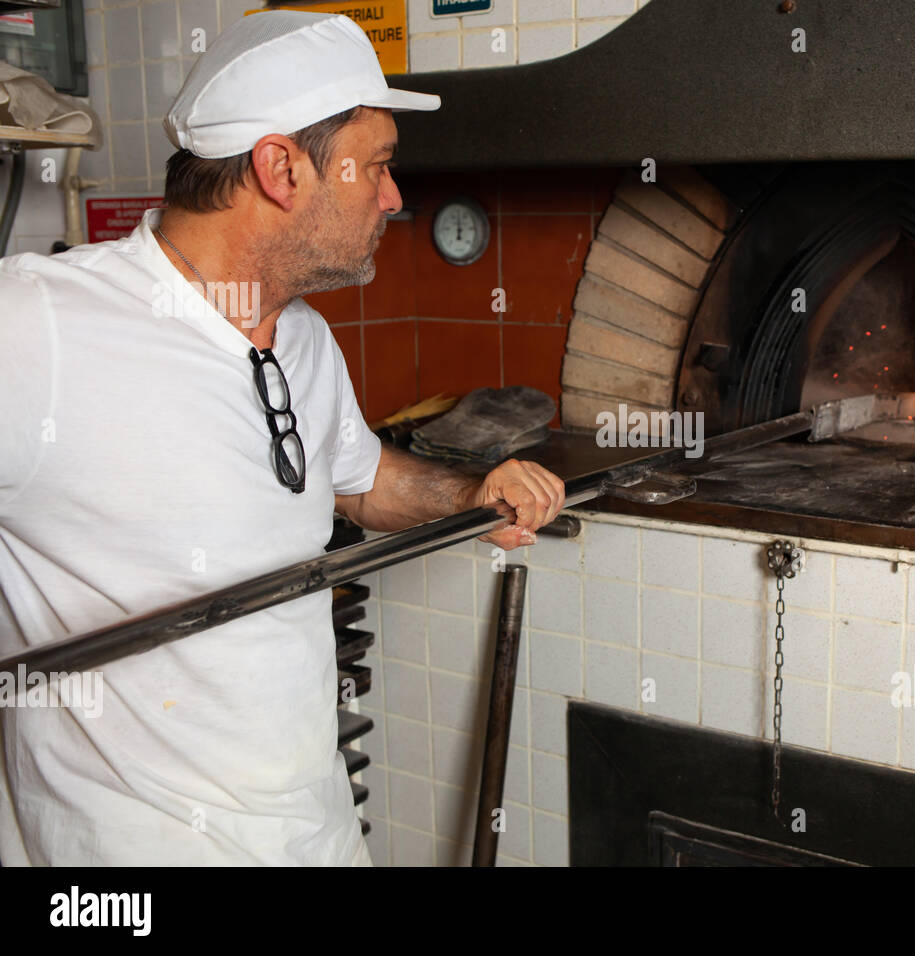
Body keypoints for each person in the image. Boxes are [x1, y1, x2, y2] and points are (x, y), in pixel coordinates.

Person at [0, 11, 566, 865]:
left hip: (313, 829)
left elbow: (360, 481)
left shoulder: (301, 336)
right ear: (279, 167)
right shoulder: (39, 325)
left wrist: (468, 498)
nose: (394, 197)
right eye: (375, 167)